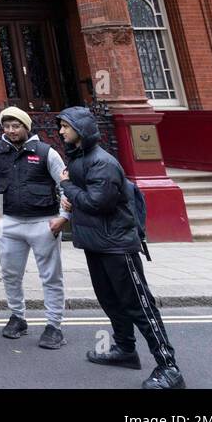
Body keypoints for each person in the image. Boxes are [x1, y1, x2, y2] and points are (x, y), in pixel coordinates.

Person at [57, 107, 183, 389]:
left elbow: (96, 203)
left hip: (117, 245)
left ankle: (169, 368)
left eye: (65, 126)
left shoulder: (102, 162)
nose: (61, 131)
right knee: (110, 300)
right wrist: (71, 197)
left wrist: (68, 188)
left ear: (81, 129)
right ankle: (126, 349)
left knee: (139, 305)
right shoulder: (80, 158)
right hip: (96, 242)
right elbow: (84, 198)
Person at [0, 105, 69, 349]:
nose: (11, 131)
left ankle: (54, 326)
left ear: (26, 127)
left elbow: (66, 185)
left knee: (51, 277)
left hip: (43, 222)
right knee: (10, 274)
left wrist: (63, 217)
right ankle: (17, 318)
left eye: (16, 126)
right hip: (10, 222)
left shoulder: (47, 152)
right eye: (7, 126)